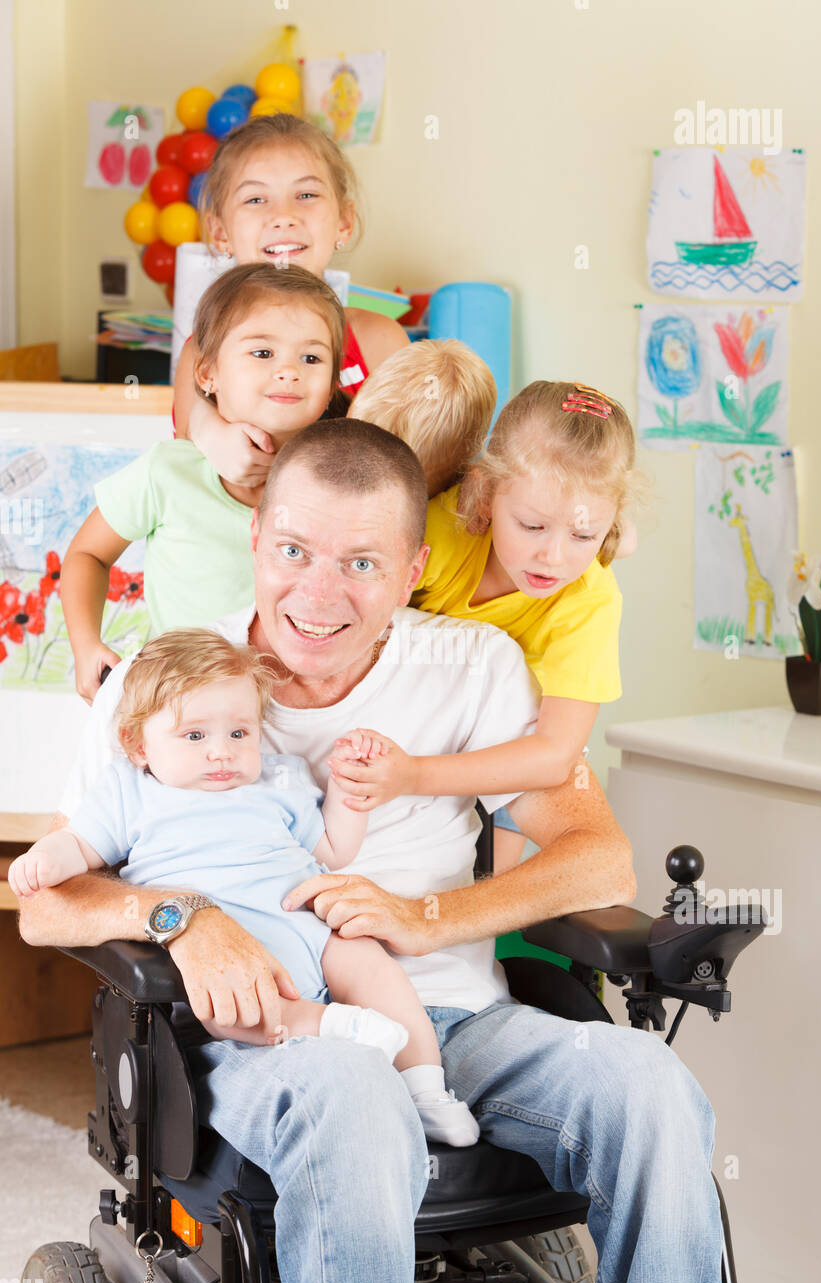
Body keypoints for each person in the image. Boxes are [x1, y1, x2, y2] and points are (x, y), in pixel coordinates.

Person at [18, 417, 723, 1283]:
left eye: (361, 563)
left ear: (414, 570)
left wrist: (428, 920)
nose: (318, 593)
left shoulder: (476, 667)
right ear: (255, 538)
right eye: (293, 551)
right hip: (268, 1030)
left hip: (458, 1023)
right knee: (354, 1093)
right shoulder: (165, 682)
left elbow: (601, 863)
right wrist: (181, 916)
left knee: (646, 1083)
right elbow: (48, 903)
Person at [10, 628, 479, 1146]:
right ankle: (333, 1025)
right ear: (138, 744)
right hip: (226, 955)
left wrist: (347, 791)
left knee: (375, 968)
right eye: (195, 736)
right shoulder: (130, 792)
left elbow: (331, 848)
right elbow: (79, 846)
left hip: (311, 930)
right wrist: (42, 861)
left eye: (239, 734)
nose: (221, 754)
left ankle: (426, 1087)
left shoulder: (280, 780)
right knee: (233, 1014)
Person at [348, 347, 643, 870]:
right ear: (483, 493)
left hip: (498, 758)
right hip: (390, 726)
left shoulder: (590, 599)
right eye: (531, 526)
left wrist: (417, 774)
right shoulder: (438, 532)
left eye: (583, 534)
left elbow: (552, 754)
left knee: (484, 883)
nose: (553, 557)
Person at [61, 263, 343, 703]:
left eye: (311, 357)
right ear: (208, 374)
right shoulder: (168, 472)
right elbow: (87, 554)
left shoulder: (338, 488)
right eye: (263, 353)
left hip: (292, 715)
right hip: (179, 708)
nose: (290, 371)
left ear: (329, 389)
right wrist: (85, 645)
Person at [173, 112, 410, 485]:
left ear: (344, 223)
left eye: (306, 195)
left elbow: (414, 465)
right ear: (220, 232)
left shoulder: (380, 341)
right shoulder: (204, 350)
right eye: (255, 199)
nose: (283, 216)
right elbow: (181, 463)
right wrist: (208, 434)